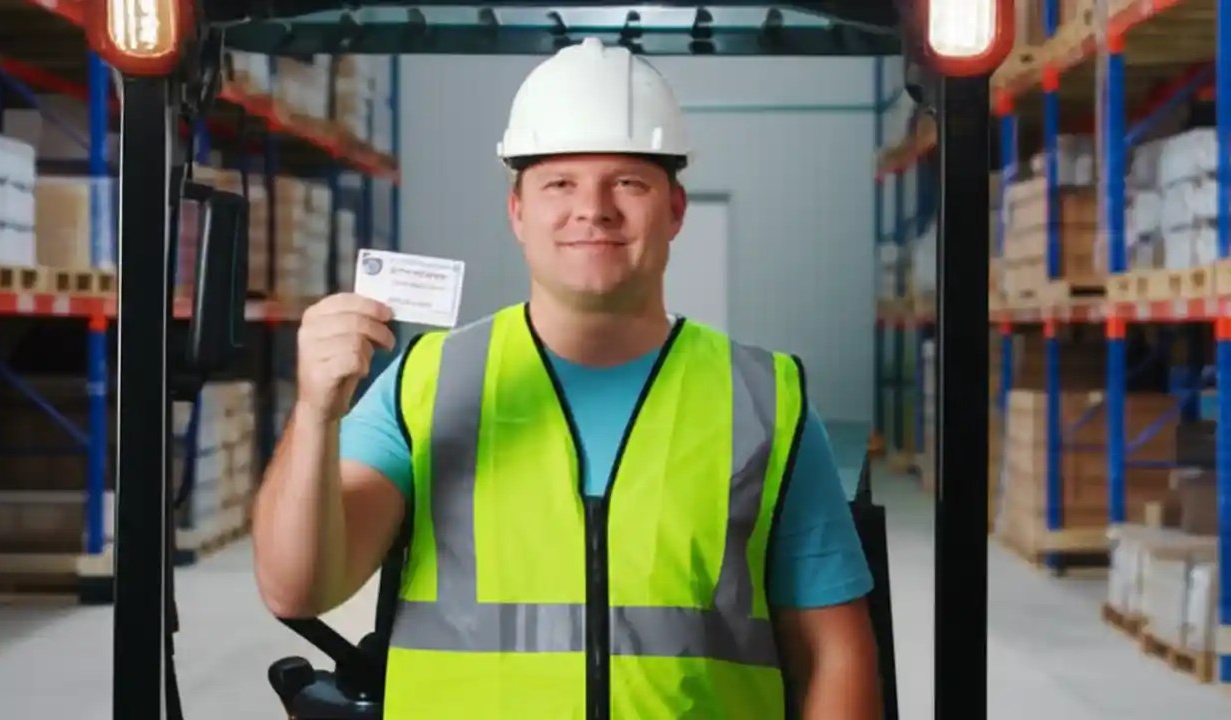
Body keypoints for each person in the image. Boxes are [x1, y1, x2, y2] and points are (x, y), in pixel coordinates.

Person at [252, 38, 880, 719]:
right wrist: (316, 414)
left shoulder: (766, 400)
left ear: (674, 209)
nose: (595, 208)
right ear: (517, 211)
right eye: (560, 183)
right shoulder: (424, 385)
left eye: (628, 182)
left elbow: (833, 656)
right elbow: (299, 589)